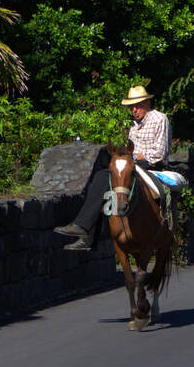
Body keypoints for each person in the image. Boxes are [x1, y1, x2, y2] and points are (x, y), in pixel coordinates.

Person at [53, 86, 170, 251]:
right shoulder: (134, 124)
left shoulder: (159, 119)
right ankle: (86, 226)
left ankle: (84, 229)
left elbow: (159, 153)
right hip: (133, 162)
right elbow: (132, 150)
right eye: (131, 106)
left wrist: (137, 156)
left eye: (138, 105)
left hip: (151, 164)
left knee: (103, 178)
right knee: (102, 169)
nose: (134, 110)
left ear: (147, 103)